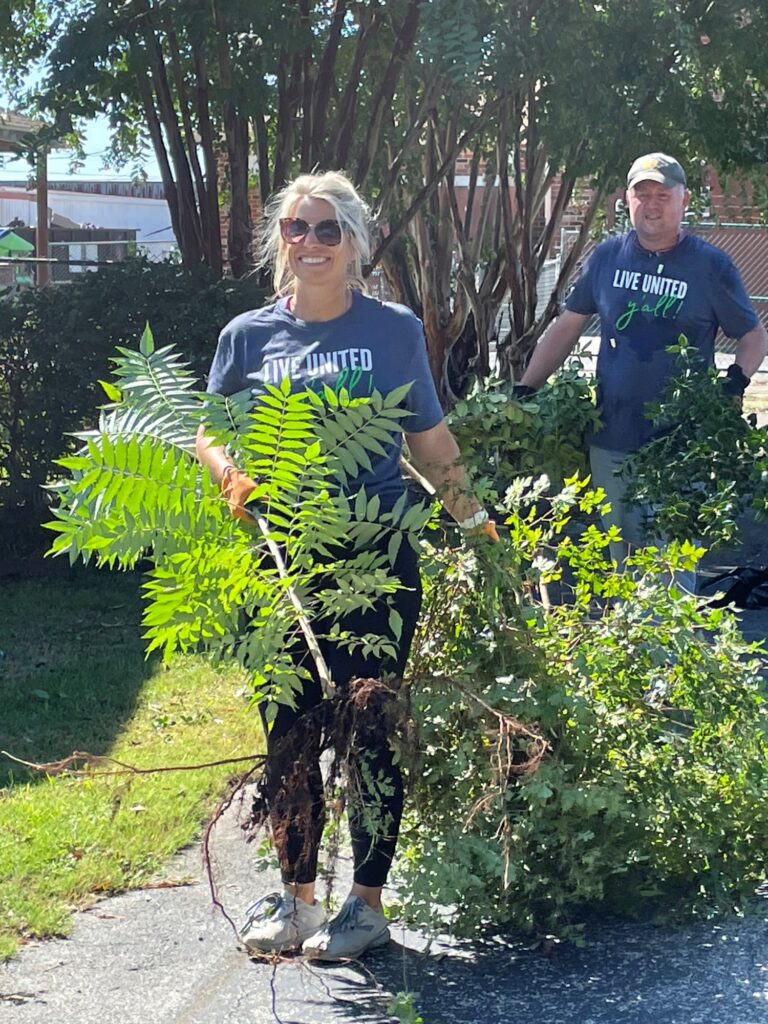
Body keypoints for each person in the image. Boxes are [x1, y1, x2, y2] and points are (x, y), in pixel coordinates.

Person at [196, 170, 496, 961]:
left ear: (355, 241)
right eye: (296, 227)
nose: (311, 242)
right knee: (288, 733)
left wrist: (474, 519)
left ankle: (365, 905)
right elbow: (209, 429)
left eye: (327, 229)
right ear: (281, 239)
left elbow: (427, 436)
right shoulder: (247, 336)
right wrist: (230, 474)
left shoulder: (392, 330)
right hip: (282, 560)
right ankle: (297, 900)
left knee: (369, 728)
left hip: (374, 556)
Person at [517, 152, 767, 570]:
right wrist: (526, 387)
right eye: (642, 194)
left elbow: (753, 335)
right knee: (622, 561)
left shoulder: (710, 266)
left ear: (684, 200)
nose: (652, 205)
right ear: (628, 201)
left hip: (679, 446)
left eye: (662, 195)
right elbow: (567, 327)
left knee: (670, 565)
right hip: (611, 436)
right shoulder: (607, 258)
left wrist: (735, 381)